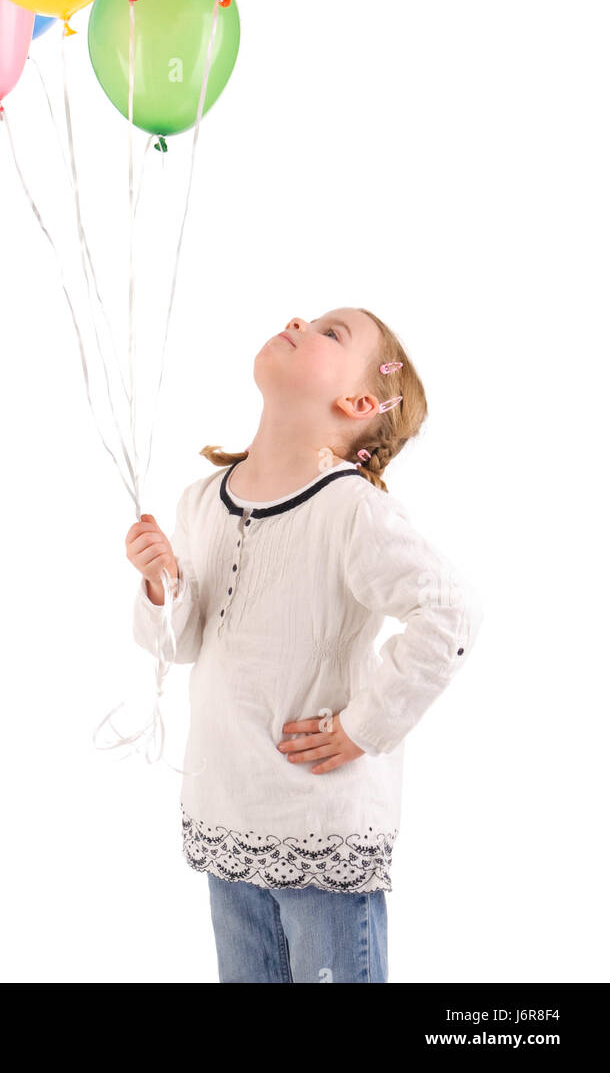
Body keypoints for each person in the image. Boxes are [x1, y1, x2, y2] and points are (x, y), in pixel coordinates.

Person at [126, 307, 483, 984]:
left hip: (322, 830)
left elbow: (450, 612)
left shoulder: (351, 511)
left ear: (358, 402)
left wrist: (363, 727)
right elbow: (183, 642)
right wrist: (159, 584)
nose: (298, 319)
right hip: (229, 817)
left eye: (330, 331)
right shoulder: (203, 501)